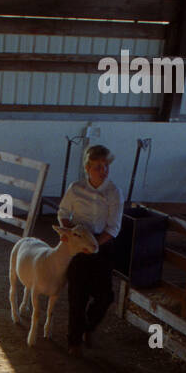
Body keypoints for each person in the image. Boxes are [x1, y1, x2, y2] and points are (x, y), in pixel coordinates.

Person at [57, 144, 123, 356]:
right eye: (97, 166)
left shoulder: (114, 192)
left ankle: (89, 326)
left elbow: (114, 227)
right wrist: (71, 235)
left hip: (102, 247)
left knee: (106, 296)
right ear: (87, 167)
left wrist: (94, 244)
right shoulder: (75, 189)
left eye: (105, 166)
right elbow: (63, 213)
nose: (102, 171)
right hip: (78, 248)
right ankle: (74, 342)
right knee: (77, 295)